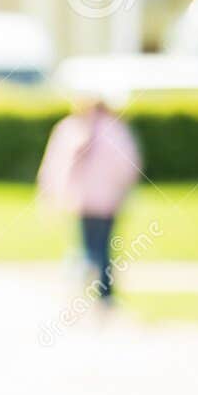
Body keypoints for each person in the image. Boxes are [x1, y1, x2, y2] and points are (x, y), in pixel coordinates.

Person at [36, 95, 143, 306]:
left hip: (81, 199)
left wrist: (50, 194)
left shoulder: (70, 129)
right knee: (103, 247)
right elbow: (129, 166)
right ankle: (103, 294)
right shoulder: (115, 130)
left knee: (86, 247)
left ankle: (81, 290)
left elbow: (54, 166)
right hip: (106, 200)